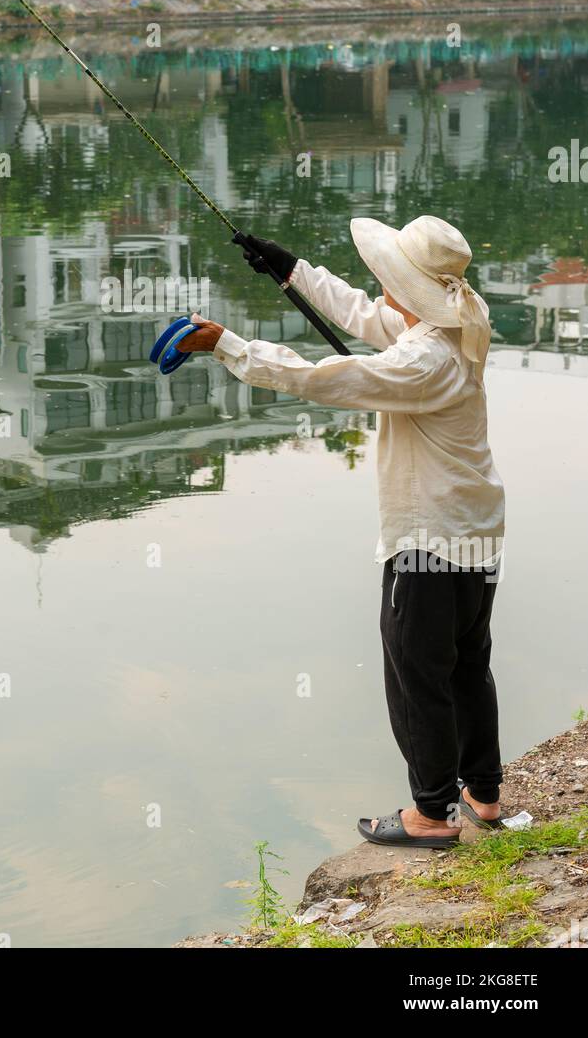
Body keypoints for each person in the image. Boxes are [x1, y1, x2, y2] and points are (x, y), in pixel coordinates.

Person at [178, 215, 507, 849]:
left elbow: (324, 379)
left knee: (417, 672)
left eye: (390, 277)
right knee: (468, 665)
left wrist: (229, 346)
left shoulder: (421, 361)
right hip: (477, 531)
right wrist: (290, 268)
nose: (380, 285)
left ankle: (432, 814)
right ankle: (483, 796)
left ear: (409, 288)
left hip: (429, 540)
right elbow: (364, 315)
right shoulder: (461, 321)